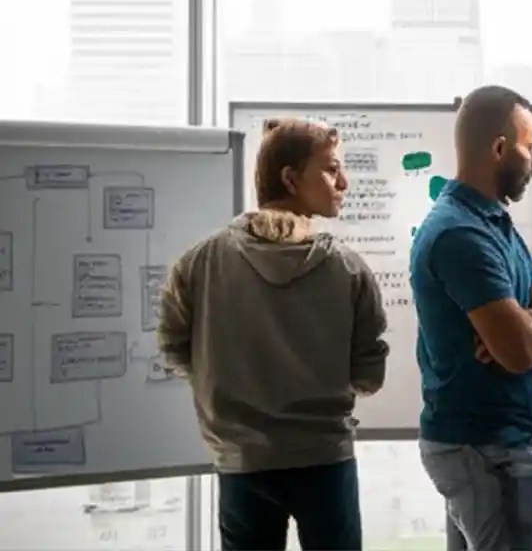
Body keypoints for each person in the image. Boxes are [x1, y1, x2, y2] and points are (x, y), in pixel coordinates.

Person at [158, 118, 390, 551]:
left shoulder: (197, 264)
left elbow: (174, 353)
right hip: (325, 461)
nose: (344, 182)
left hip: (241, 462)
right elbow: (369, 375)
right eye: (331, 169)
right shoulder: (348, 269)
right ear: (290, 178)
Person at [410, 85, 532, 551]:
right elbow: (520, 352)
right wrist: (525, 329)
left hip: (497, 445)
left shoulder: (494, 224)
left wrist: (522, 322)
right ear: (500, 148)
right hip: (481, 448)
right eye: (529, 146)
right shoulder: (460, 234)